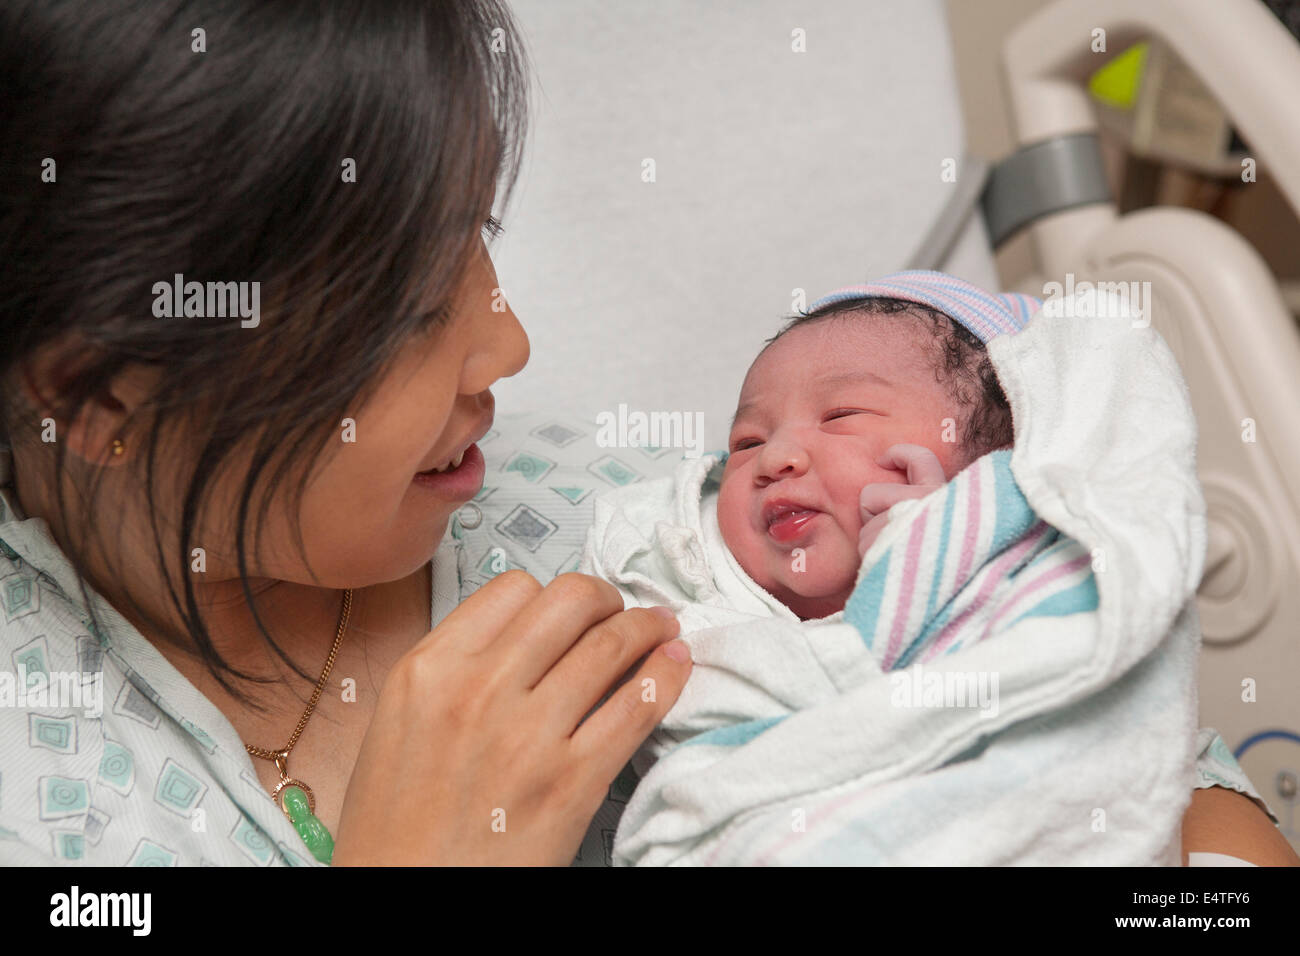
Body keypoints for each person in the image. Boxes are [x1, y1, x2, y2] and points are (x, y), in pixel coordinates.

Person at [0, 0, 1289, 866]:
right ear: (103, 395)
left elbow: (1143, 743)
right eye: (398, 313)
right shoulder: (51, 788)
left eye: (479, 242)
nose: (507, 346)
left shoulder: (649, 528)